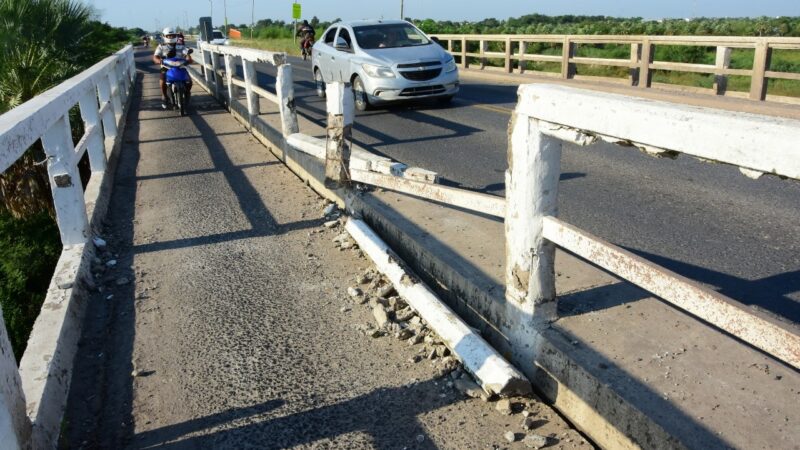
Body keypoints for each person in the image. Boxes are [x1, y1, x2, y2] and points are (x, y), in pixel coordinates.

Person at [153, 27, 193, 110]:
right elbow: (155, 56)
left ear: (176, 35)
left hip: (180, 66)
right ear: (164, 36)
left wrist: (188, 57)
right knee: (162, 80)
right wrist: (158, 60)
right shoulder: (161, 46)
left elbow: (186, 52)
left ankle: (187, 94)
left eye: (173, 35)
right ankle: (164, 96)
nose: (171, 37)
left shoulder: (181, 46)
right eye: (169, 36)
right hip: (166, 67)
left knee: (189, 81)